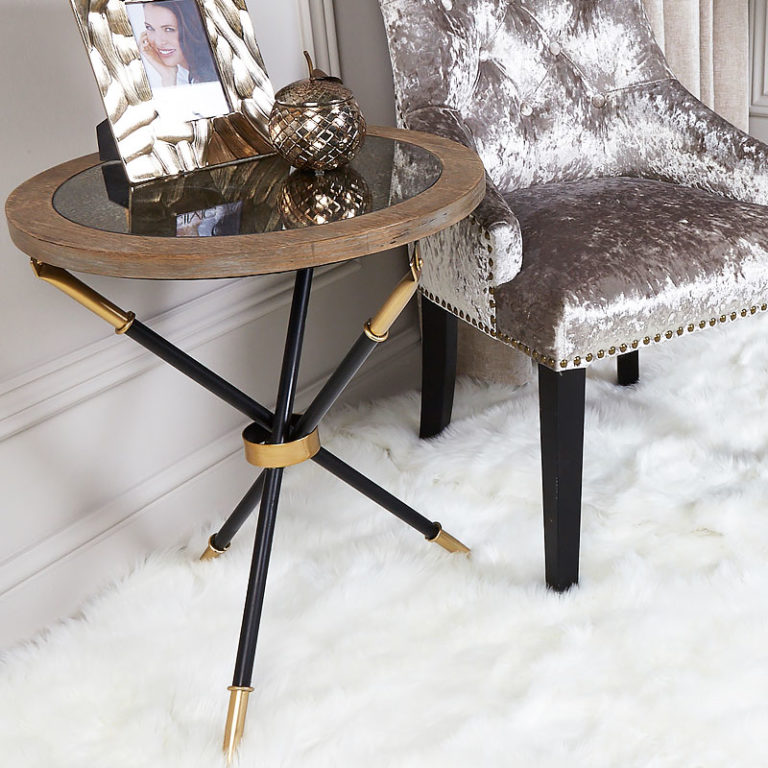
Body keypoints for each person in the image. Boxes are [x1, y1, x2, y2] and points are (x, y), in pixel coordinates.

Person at [138, 0, 218, 88]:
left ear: (191, 28)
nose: (159, 42)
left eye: (169, 29)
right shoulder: (178, 74)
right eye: (150, 28)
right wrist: (168, 77)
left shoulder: (217, 70)